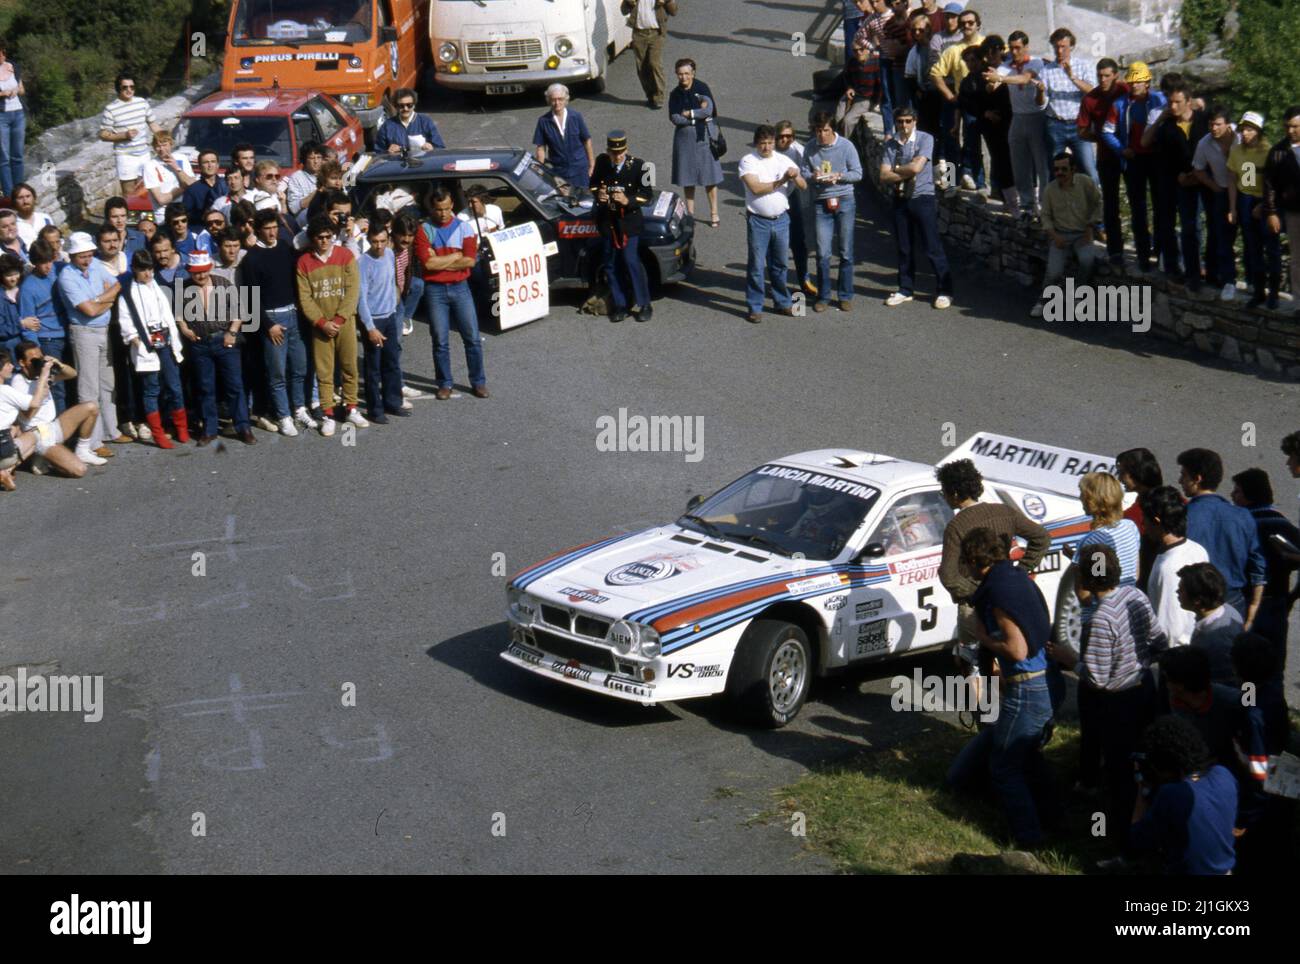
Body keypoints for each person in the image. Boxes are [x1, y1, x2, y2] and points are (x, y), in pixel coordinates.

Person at [945, 527, 1059, 849]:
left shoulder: (996, 595)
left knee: (1004, 766)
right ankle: (1053, 818)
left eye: (964, 562)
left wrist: (983, 638)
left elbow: (1017, 650)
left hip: (1026, 689)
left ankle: (1028, 840)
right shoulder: (1015, 577)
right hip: (1043, 683)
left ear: (972, 561)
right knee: (1027, 756)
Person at [1048, 543, 1164, 851]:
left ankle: (1122, 838)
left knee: (1119, 773)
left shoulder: (1101, 619)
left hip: (1118, 705)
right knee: (1146, 764)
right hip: (1144, 689)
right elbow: (1159, 640)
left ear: (1084, 582)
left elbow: (1097, 679)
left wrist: (1069, 659)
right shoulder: (1136, 596)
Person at [936, 457, 1051, 705]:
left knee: (972, 663)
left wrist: (974, 594)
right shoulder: (1004, 512)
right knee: (1003, 655)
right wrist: (1021, 570)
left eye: (944, 491)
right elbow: (1041, 537)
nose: (944, 496)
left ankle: (985, 720)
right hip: (1007, 593)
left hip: (974, 606)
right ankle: (1011, 708)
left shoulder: (956, 526)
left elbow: (948, 575)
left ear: (954, 493)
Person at [1128, 715, 1237, 875]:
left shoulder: (1172, 794)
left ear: (1163, 763)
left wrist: (1142, 788)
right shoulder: (1223, 774)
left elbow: (1136, 842)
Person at [242, 209, 314, 436]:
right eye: (267, 228)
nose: (273, 232)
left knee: (299, 367)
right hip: (273, 320)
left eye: (275, 227)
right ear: (258, 230)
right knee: (277, 373)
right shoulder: (251, 259)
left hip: (293, 314)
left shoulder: (285, 248)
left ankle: (299, 408)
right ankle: (284, 416)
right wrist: (268, 325)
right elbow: (249, 297)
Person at [1177, 447, 1266, 624]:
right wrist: (1253, 607)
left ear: (1197, 479)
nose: (1180, 480)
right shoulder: (1243, 516)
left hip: (1194, 601)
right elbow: (1258, 567)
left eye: (1184, 475)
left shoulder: (1182, 516)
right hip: (1233, 601)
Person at [59, 231, 128, 453]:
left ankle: (111, 430)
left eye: (89, 254)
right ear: (72, 256)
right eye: (82, 256)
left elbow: (116, 287)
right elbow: (87, 310)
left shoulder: (96, 265)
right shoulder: (67, 277)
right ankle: (93, 441)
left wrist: (99, 300)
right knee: (88, 388)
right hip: (84, 332)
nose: (87, 259)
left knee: (107, 383)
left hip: (102, 328)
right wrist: (104, 299)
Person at [1229, 632, 1293, 875]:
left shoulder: (1253, 717)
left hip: (1260, 807)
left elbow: (1259, 773)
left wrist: (1244, 819)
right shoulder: (1271, 694)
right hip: (1282, 788)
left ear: (1238, 668)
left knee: (1257, 858)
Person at [415, 186, 487, 399]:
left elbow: (470, 260)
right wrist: (456, 257)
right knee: (440, 339)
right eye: (438, 210)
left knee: (472, 337)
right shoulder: (424, 229)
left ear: (452, 205)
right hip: (435, 290)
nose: (443, 214)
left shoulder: (465, 228)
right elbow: (428, 264)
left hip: (460, 288)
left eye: (446, 209)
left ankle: (478, 381)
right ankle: (444, 383)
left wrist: (440, 261)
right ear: (432, 208)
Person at [297, 213, 366, 433]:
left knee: (349, 367)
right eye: (319, 237)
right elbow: (304, 297)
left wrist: (338, 319)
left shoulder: (345, 255)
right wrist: (321, 322)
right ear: (312, 238)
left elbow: (352, 290)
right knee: (324, 372)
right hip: (320, 326)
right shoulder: (304, 262)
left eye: (328, 236)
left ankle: (351, 407)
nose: (324, 240)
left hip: (344, 321)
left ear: (333, 236)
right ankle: (328, 414)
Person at [176, 250, 252, 446]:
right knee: (204, 388)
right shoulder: (183, 288)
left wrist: (232, 333)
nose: (200, 276)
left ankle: (243, 427)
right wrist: (184, 329)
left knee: (234, 385)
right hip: (199, 343)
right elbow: (178, 315)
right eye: (195, 272)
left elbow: (240, 312)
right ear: (190, 272)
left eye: (203, 271)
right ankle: (209, 430)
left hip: (224, 339)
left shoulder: (223, 283)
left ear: (209, 268)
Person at [879, 107, 952, 309]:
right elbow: (883, 176)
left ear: (914, 121)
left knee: (932, 246)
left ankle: (945, 290)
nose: (904, 125)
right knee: (904, 247)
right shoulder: (891, 144)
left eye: (908, 121)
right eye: (900, 121)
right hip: (899, 199)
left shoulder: (925, 139)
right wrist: (902, 170)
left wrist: (895, 169)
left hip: (923, 198)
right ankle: (905, 288)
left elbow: (917, 168)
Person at [1229, 468, 1300, 670]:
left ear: (1250, 495)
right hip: (1277, 601)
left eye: (1238, 491)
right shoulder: (1281, 522)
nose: (1233, 495)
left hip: (1246, 601)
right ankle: (1273, 700)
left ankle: (1248, 699)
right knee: (1274, 662)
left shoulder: (1241, 523)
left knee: (1245, 663)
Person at [116, 249, 187, 448]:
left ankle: (181, 427)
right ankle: (158, 433)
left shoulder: (155, 285)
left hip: (165, 340)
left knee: (175, 386)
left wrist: (173, 339)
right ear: (134, 270)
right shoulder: (127, 294)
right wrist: (136, 341)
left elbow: (166, 313)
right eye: (143, 270)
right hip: (146, 345)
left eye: (150, 269)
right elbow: (126, 323)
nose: (148, 274)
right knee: (151, 389)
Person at [1102, 62, 1167, 275]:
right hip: (1133, 160)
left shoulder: (1159, 100)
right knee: (1138, 209)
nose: (1134, 85)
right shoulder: (1120, 104)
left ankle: (1161, 250)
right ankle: (1142, 255)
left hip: (1156, 159)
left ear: (1147, 82)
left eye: (1138, 82)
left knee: (1161, 206)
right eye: (1131, 82)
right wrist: (1122, 150)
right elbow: (1107, 131)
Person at [7, 341, 106, 473]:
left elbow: (72, 374)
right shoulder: (18, 382)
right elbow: (27, 415)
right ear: (22, 363)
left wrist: (58, 364)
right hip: (36, 434)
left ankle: (82, 450)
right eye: (34, 360)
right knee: (79, 470)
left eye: (40, 358)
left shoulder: (42, 373)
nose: (39, 362)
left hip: (53, 426)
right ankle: (40, 454)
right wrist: (42, 390)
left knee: (91, 407)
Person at [739, 125, 803, 324]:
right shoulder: (748, 161)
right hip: (758, 220)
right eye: (762, 143)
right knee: (757, 266)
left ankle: (782, 302)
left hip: (782, 219)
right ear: (756, 143)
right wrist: (783, 179)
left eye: (769, 143)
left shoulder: (783, 160)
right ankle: (755, 306)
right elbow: (756, 188)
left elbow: (803, 185)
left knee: (780, 264)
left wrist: (796, 176)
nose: (766, 147)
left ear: (774, 143)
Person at [591, 131, 654, 324]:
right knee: (610, 264)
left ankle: (644, 304)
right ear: (608, 151)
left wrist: (628, 200)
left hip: (628, 223)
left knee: (631, 261)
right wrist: (599, 195)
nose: (617, 156)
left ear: (626, 150)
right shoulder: (602, 163)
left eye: (620, 152)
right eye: (613, 152)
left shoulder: (640, 166)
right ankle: (620, 304)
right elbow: (593, 185)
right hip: (608, 222)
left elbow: (647, 195)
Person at [803, 111, 862, 312]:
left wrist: (839, 176)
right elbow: (803, 172)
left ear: (832, 130)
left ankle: (845, 295)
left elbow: (857, 173)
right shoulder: (810, 147)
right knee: (822, 252)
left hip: (844, 199)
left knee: (845, 251)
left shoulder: (846, 146)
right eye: (818, 131)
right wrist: (813, 175)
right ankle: (824, 295)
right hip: (822, 201)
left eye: (825, 130)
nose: (821, 135)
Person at [1029, 152, 1100, 316]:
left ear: (1073, 169)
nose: (1060, 173)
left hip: (1082, 233)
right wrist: (1054, 236)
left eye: (1064, 169)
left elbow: (1098, 203)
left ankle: (1078, 292)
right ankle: (1043, 301)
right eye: (1056, 169)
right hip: (1060, 234)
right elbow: (1045, 215)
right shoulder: (1050, 190)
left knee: (1087, 260)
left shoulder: (1085, 183)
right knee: (1054, 272)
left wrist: (1090, 228)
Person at [989, 31, 1049, 220]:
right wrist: (992, 80)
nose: (1014, 52)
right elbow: (992, 86)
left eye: (1018, 48)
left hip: (1037, 116)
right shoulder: (1006, 66)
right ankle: (1027, 206)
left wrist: (1000, 79)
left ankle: (1046, 207)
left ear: (1026, 47)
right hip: (1018, 117)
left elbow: (1024, 78)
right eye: (1012, 48)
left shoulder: (1036, 62)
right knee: (1019, 163)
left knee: (1042, 165)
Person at [1142, 486, 1210, 648]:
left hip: (1175, 656)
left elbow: (1170, 628)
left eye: (1144, 519)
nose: (1143, 524)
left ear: (1156, 521)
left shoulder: (1168, 568)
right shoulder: (1197, 549)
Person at [1228, 112, 1282, 310]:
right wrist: (1233, 207)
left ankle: (1274, 293)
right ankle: (1258, 290)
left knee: (1272, 248)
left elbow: (1275, 182)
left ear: (1258, 131)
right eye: (1243, 129)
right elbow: (1232, 178)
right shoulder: (1237, 151)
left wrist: (1265, 206)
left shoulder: (1269, 151)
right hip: (1245, 198)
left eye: (1250, 129)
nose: (1245, 133)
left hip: (1265, 201)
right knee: (1252, 248)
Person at [1079, 59, 1128, 270]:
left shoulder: (1126, 90)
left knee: (1139, 201)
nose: (1103, 79)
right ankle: (1115, 250)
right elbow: (1081, 130)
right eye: (1100, 76)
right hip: (1107, 157)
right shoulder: (1090, 99)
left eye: (1107, 75)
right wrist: (1099, 138)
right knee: (1110, 203)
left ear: (1116, 75)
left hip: (1130, 154)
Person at [356, 221, 405, 425]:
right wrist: (370, 328)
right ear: (368, 241)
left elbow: (392, 283)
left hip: (390, 316)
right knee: (373, 367)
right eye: (375, 242)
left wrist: (394, 307)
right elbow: (361, 299)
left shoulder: (390, 255)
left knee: (392, 363)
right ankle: (375, 409)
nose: (379, 246)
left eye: (383, 241)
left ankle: (393, 402)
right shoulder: (363, 263)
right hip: (374, 320)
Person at [930, 7, 984, 191]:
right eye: (963, 24)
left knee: (975, 145)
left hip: (985, 103)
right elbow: (935, 74)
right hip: (961, 102)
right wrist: (950, 96)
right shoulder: (953, 50)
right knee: (951, 142)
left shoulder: (985, 45)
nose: (966, 26)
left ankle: (979, 183)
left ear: (978, 24)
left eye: (970, 23)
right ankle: (952, 182)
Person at [668, 60, 723, 226]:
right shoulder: (675, 94)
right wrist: (697, 118)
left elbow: (709, 110)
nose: (684, 77)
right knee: (688, 178)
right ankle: (690, 214)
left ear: (693, 73)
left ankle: (714, 213)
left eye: (687, 73)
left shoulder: (702, 89)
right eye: (680, 73)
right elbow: (674, 117)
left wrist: (690, 113)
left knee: (709, 178)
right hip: (684, 141)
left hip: (704, 138)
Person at [1191, 109, 1239, 300]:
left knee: (1252, 237)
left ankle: (1255, 283)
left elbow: (1252, 162)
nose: (1214, 128)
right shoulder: (1205, 143)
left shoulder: (1241, 138)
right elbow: (1198, 169)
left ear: (1228, 124)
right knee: (1222, 236)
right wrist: (1215, 187)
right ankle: (1227, 280)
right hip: (1221, 190)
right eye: (1211, 124)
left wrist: (1250, 189)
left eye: (1218, 124)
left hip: (1245, 191)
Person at [1039, 28, 1096, 185]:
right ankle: (1055, 206)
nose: (1059, 50)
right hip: (1055, 124)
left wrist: (1073, 77)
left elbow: (1092, 91)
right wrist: (1040, 92)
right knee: (1054, 169)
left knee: (1089, 169)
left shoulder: (1083, 65)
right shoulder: (1046, 70)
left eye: (1063, 46)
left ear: (1072, 47)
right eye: (1056, 46)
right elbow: (1041, 103)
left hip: (1079, 124)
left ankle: (1096, 204)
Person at [964, 38, 1016, 209]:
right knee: (996, 156)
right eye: (987, 52)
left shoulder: (1010, 68)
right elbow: (970, 100)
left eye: (995, 50)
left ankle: (1009, 195)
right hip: (988, 121)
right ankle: (996, 193)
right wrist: (985, 113)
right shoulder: (979, 75)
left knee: (1011, 158)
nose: (991, 54)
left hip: (1010, 118)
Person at [18, 240, 68, 414]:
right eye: (42, 263)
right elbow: (28, 323)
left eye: (50, 261)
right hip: (47, 339)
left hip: (65, 332)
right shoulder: (28, 287)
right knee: (57, 388)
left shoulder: (58, 271)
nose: (47, 266)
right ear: (34, 262)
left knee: (71, 379)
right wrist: (36, 350)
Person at [1176, 562, 1242, 684]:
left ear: (1197, 600)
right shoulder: (1229, 610)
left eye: (1181, 590)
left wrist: (1247, 702)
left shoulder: (1214, 640)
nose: (1177, 592)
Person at [1262, 105, 1300, 314]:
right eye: (1288, 126)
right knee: (1297, 259)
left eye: (1295, 126)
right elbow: (1269, 184)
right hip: (1294, 210)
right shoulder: (1277, 152)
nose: (1291, 131)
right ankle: (1299, 304)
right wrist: (1272, 211)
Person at [99, 73, 162, 195]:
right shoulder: (110, 109)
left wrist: (165, 139)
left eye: (132, 87)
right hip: (125, 156)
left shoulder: (142, 103)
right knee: (129, 193)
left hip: (144, 154)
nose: (129, 90)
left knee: (149, 190)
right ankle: (131, 214)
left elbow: (153, 125)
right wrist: (124, 135)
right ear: (118, 89)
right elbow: (103, 135)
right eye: (125, 87)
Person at [775, 121, 817, 299]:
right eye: (781, 137)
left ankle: (803, 279)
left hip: (792, 197)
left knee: (798, 242)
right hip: (775, 198)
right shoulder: (770, 150)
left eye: (789, 136)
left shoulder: (799, 150)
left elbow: (808, 173)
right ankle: (779, 285)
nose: (785, 140)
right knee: (777, 244)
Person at [1116, 446, 1163, 589]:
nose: (1119, 478)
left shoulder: (1130, 518)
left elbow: (1098, 574)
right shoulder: (1178, 502)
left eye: (1122, 473)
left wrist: (1078, 562)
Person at [532, 84, 593, 190]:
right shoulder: (543, 121)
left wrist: (592, 165)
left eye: (560, 99)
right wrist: (539, 171)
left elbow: (587, 141)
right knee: (565, 202)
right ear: (549, 101)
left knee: (584, 200)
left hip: (580, 170)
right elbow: (540, 149)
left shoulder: (576, 117)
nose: (557, 103)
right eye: (553, 100)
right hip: (560, 172)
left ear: (566, 100)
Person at [623, 0, 678, 109]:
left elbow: (674, 11)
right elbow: (623, 11)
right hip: (639, 33)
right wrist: (629, 2)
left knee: (654, 63)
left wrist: (666, 2)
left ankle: (659, 96)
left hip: (656, 33)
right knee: (642, 67)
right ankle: (650, 94)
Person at [141, 132, 196, 222]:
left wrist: (176, 167)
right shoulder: (150, 166)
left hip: (184, 211)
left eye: (164, 145)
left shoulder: (181, 158)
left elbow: (191, 183)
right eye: (158, 146)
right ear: (154, 148)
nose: (162, 149)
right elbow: (161, 199)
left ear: (171, 145)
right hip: (164, 214)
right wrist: (183, 188)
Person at [836, 31, 881, 138]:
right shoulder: (852, 62)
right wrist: (849, 88)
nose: (858, 53)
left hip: (866, 99)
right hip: (853, 94)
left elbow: (880, 86)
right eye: (855, 51)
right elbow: (846, 76)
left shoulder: (876, 63)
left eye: (861, 49)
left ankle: (846, 145)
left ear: (867, 49)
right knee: (838, 117)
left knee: (848, 120)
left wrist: (875, 102)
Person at [373, 89, 445, 154]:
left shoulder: (425, 121)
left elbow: (440, 147)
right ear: (396, 107)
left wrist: (432, 147)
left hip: (423, 164)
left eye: (409, 105)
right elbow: (378, 152)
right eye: (401, 106)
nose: (405, 109)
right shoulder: (387, 126)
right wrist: (388, 152)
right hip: (397, 165)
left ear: (414, 105)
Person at [0, 39, 26, 199]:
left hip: (18, 113)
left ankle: (20, 190)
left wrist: (16, 90)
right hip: (1, 115)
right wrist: (3, 93)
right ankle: (9, 195)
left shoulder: (13, 67)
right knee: (3, 157)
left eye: (1, 54)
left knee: (17, 155)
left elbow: (22, 89)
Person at [285, 141, 326, 229]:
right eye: (312, 158)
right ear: (304, 160)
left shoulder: (327, 174)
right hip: (306, 221)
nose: (316, 161)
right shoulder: (297, 177)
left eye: (319, 157)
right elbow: (293, 208)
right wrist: (317, 192)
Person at [182, 149, 228, 223]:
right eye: (206, 162)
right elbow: (186, 214)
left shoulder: (227, 184)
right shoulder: (192, 190)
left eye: (213, 161)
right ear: (199, 166)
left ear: (218, 165)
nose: (210, 165)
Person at [11, 184, 49, 248]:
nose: (25, 201)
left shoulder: (45, 218)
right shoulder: (12, 226)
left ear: (34, 198)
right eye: (20, 198)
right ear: (14, 202)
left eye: (28, 196)